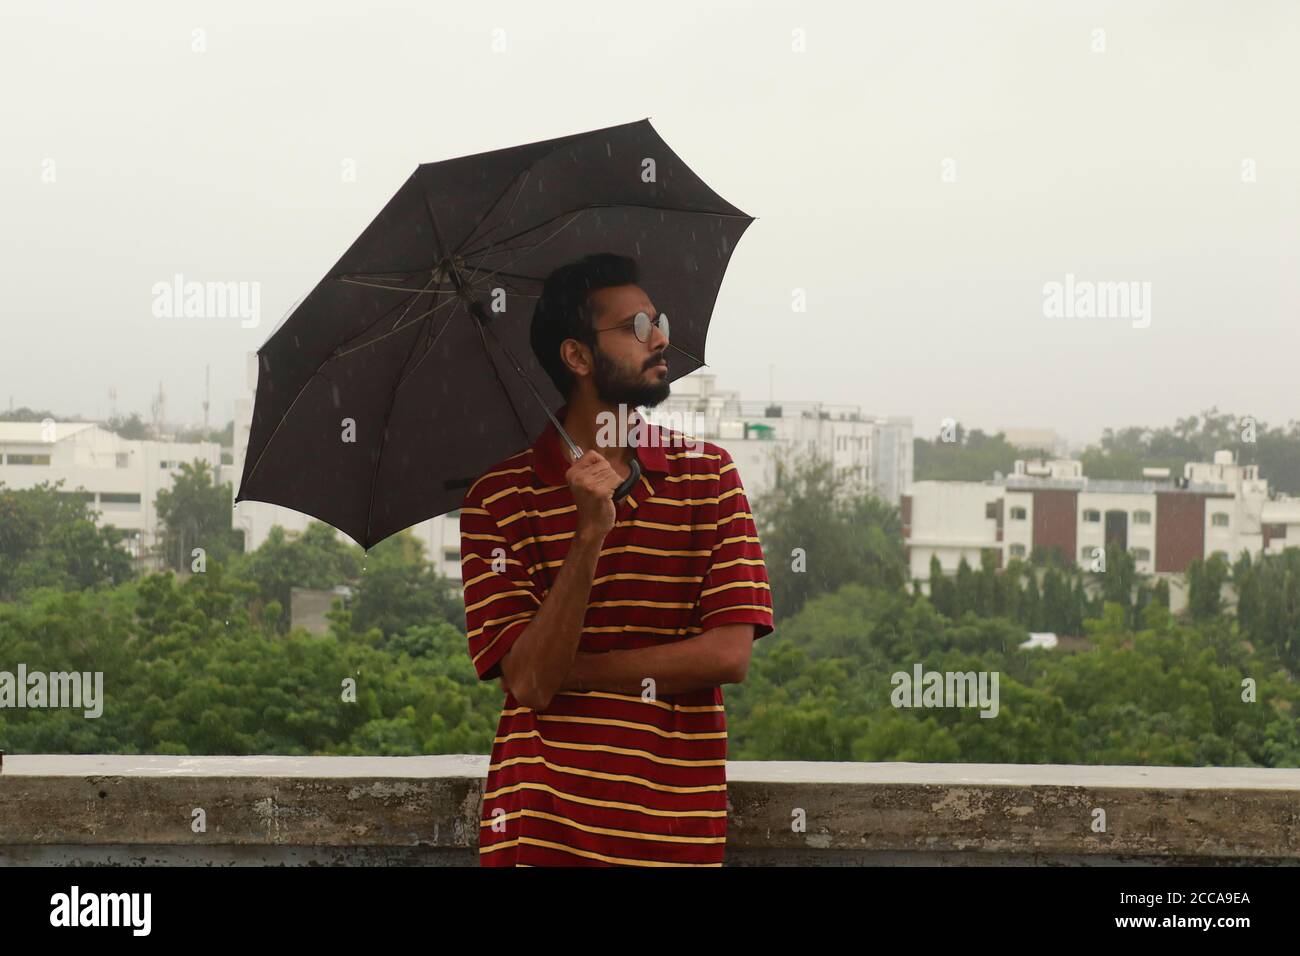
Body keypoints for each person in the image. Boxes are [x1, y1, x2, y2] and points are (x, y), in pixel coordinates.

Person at [459, 252, 774, 866]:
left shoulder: (708, 476)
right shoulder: (499, 499)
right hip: (542, 834)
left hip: (673, 840)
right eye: (635, 328)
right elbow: (526, 681)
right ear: (577, 357)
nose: (659, 339)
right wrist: (588, 536)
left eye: (657, 321)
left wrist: (577, 672)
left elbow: (728, 654)